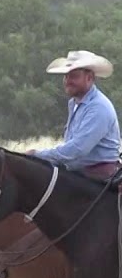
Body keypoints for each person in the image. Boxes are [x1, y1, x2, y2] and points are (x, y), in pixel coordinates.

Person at [29, 50, 121, 180]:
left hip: (98, 176)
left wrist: (36, 155)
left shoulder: (98, 107)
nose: (67, 81)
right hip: (80, 174)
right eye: (66, 76)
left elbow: (77, 149)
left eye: (74, 76)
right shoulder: (75, 103)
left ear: (89, 78)